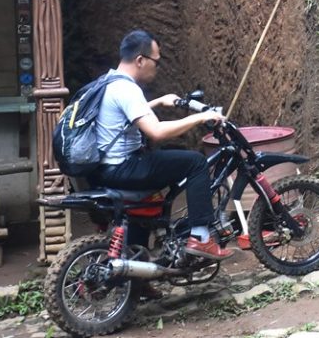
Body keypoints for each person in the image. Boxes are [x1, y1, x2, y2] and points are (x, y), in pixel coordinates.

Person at [93, 29, 233, 261]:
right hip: (123, 168)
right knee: (195, 162)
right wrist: (199, 117)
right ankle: (201, 238)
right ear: (140, 60)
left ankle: (137, 276)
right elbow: (156, 133)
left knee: (154, 185)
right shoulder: (127, 89)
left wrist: (158, 101)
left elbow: (125, 116)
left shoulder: (108, 81)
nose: (157, 68)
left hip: (104, 168)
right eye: (156, 62)